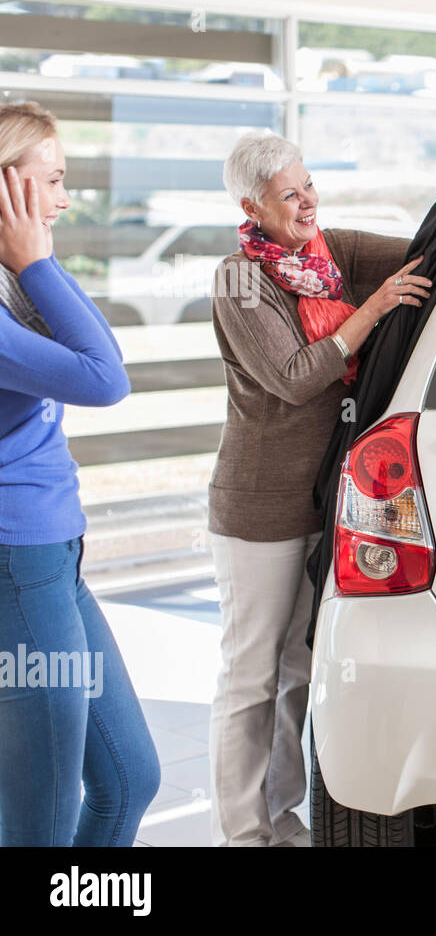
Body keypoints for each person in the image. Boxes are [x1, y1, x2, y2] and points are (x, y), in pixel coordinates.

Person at [208, 134, 436, 846]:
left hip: (326, 501)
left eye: (309, 184)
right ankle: (246, 837)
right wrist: (372, 310)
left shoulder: (332, 251)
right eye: (290, 194)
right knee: (250, 678)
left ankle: (283, 829)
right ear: (252, 206)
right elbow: (294, 377)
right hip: (259, 508)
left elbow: (434, 247)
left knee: (296, 675)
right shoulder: (239, 279)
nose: (308, 201)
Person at [0, 101, 160, 846]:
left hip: (56, 558)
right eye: (54, 180)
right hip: (17, 563)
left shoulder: (14, 284)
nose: (65, 199)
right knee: (42, 818)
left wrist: (33, 262)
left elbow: (96, 351)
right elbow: (104, 377)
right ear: (8, 186)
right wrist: (36, 260)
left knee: (130, 777)